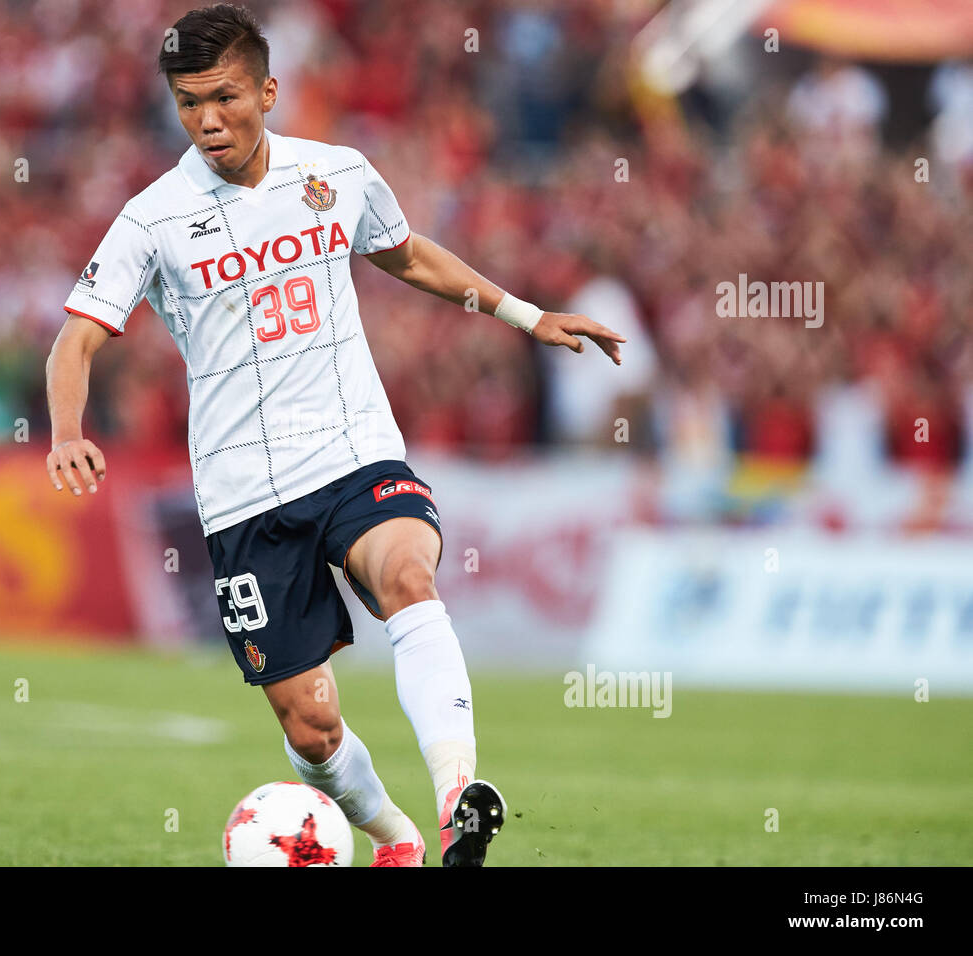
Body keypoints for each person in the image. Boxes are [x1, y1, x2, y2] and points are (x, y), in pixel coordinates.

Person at [44, 3, 625, 866]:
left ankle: (458, 794)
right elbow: (77, 337)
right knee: (311, 725)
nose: (208, 119)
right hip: (243, 492)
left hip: (353, 450)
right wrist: (64, 429)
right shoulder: (151, 219)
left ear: (270, 90)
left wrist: (524, 314)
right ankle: (394, 838)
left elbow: (408, 255)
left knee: (406, 577)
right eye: (188, 101)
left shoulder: (336, 174)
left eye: (226, 97)